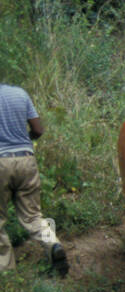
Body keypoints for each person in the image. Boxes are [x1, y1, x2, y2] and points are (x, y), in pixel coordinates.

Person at [0, 83, 67, 276]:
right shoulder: (21, 94)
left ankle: (7, 272)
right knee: (32, 216)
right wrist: (23, 140)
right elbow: (38, 130)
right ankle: (53, 244)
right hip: (26, 159)